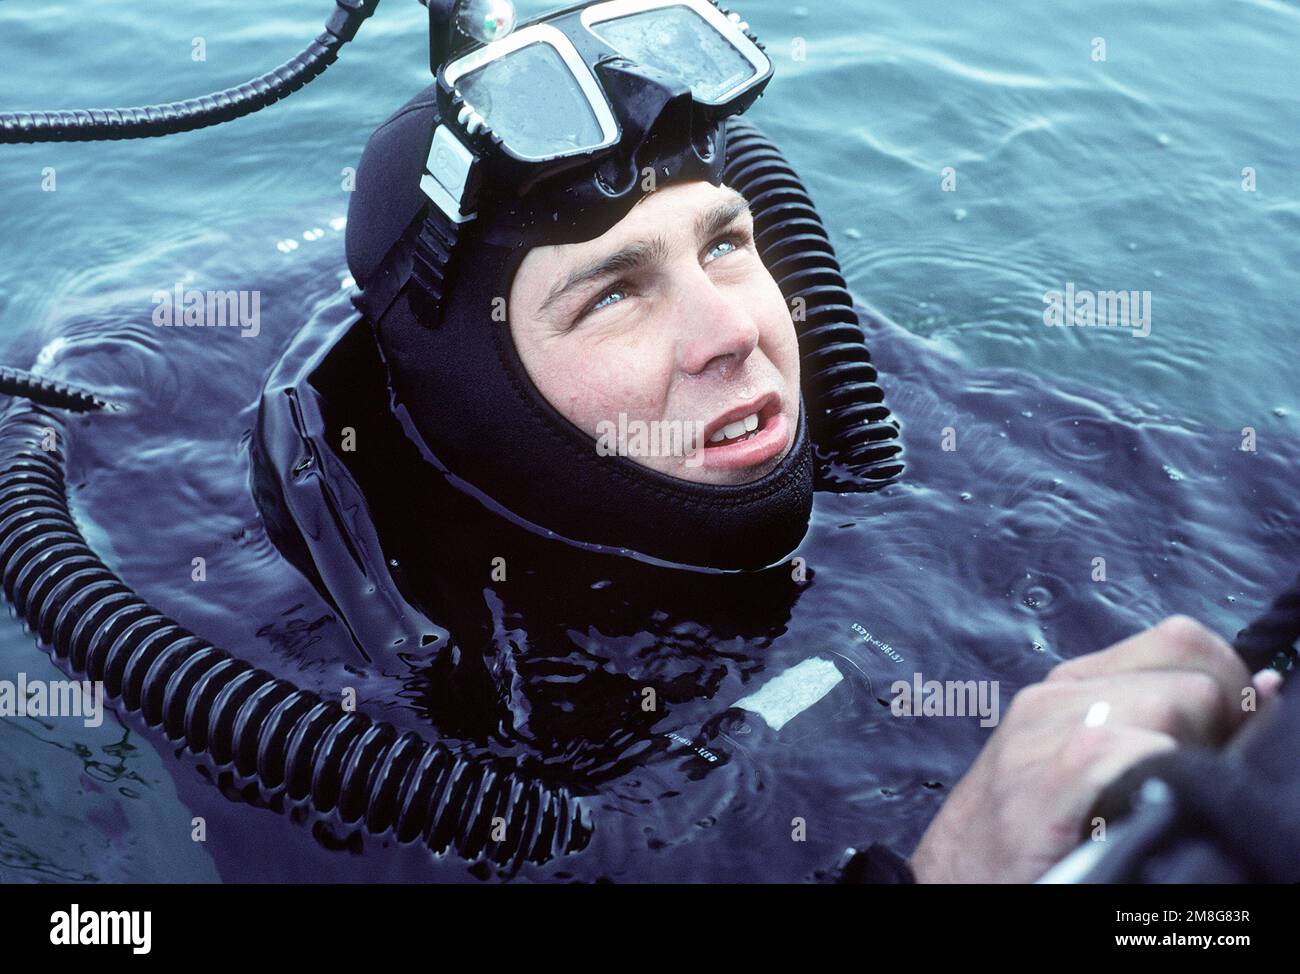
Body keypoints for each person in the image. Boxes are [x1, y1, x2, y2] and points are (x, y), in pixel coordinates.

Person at [252, 0, 1283, 882]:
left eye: (725, 243)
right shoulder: (347, 726)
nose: (735, 330)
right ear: (468, 387)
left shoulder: (937, 439)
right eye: (614, 292)